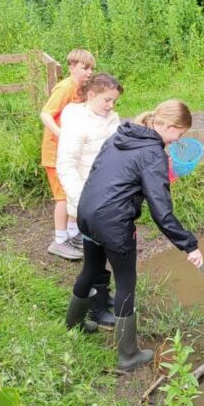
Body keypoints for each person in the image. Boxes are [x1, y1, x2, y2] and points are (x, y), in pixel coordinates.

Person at [67, 100, 204, 372]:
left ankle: (73, 326)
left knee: (91, 268)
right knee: (126, 282)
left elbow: (97, 173)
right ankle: (128, 355)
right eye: (180, 133)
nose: (179, 140)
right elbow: (161, 210)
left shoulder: (122, 133)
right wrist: (189, 245)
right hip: (114, 222)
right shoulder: (152, 153)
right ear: (166, 126)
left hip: (88, 213)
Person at [56, 73, 123, 328]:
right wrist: (84, 199)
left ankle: (103, 299)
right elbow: (66, 165)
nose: (111, 106)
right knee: (94, 260)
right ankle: (94, 312)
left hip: (108, 200)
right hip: (89, 203)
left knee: (101, 255)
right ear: (91, 95)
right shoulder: (77, 124)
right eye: (107, 100)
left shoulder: (111, 119)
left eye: (114, 101)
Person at [39, 48, 95, 259]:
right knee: (62, 197)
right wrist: (61, 134)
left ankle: (73, 233)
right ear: (72, 67)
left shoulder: (82, 89)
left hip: (73, 152)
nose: (89, 72)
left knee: (75, 192)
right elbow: (45, 114)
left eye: (91, 68)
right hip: (56, 153)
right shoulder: (65, 88)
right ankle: (59, 240)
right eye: (84, 68)